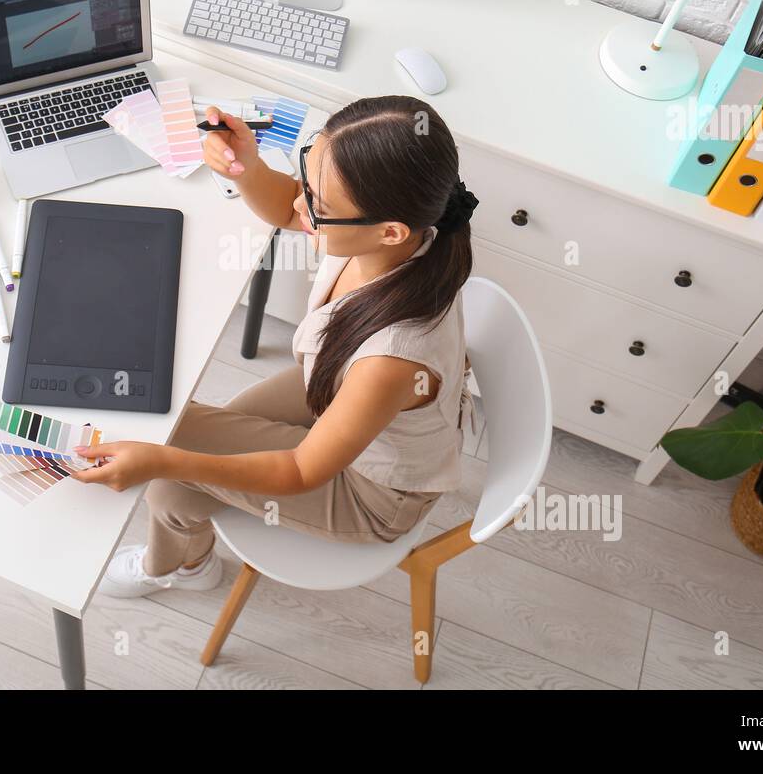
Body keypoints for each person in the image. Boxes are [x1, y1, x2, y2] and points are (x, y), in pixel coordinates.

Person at [72, 95, 480, 597]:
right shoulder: (408, 235)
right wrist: (246, 167)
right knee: (169, 430)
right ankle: (188, 560)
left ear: (389, 230)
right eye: (308, 182)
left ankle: (175, 567)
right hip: (338, 391)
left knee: (168, 475)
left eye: (318, 204)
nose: (299, 204)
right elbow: (288, 205)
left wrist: (162, 460)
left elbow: (300, 469)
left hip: (373, 491)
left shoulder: (390, 360)